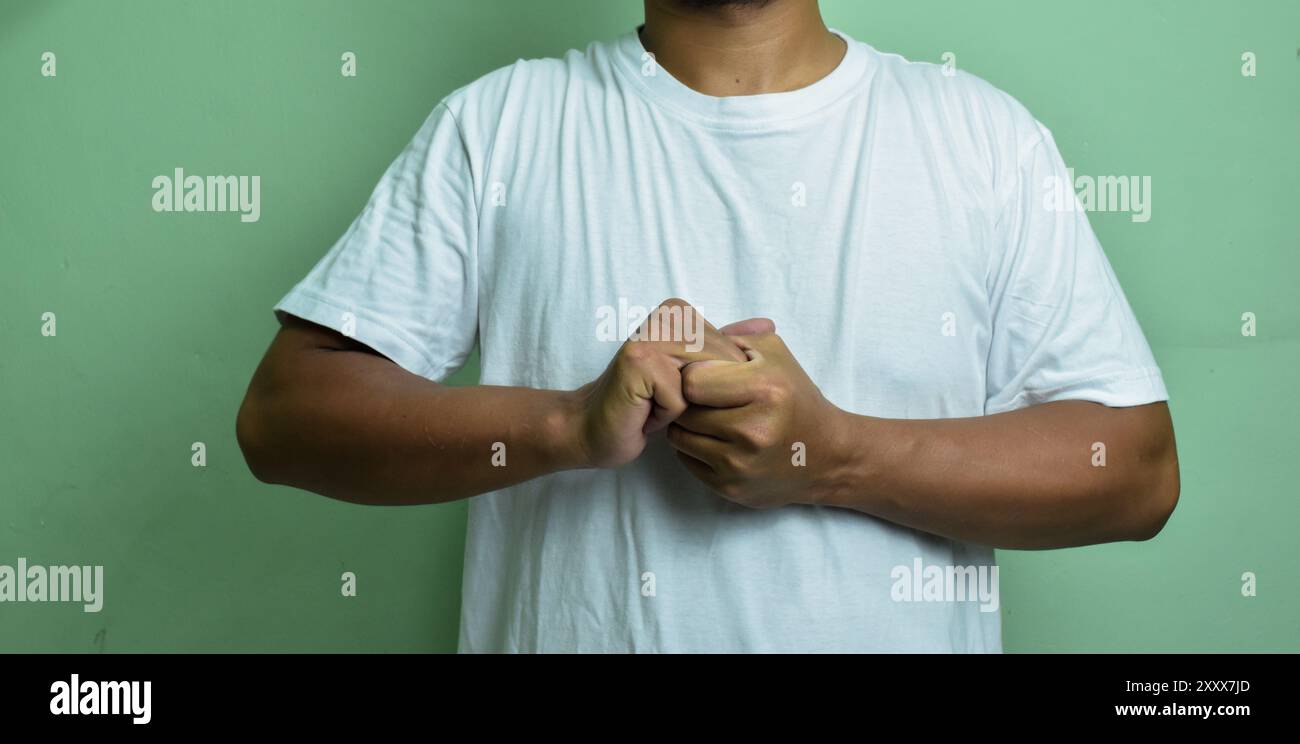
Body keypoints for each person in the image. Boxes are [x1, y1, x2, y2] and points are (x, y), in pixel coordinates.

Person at [236, 0, 1179, 652]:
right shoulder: (500, 125)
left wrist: (836, 454)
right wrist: (565, 424)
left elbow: (1136, 472)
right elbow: (285, 418)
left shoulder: (984, 139)